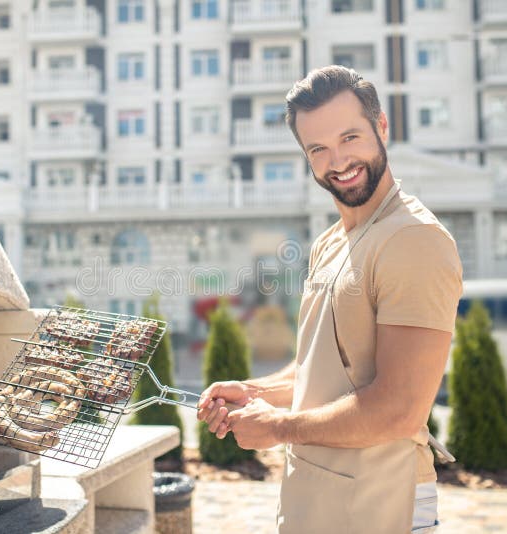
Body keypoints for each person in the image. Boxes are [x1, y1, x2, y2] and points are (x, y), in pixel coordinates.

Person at [197, 65, 463, 533]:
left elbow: (400, 408)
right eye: (318, 148)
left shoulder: (415, 239)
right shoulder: (330, 242)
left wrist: (277, 427)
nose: (337, 160)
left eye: (350, 137)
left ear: (382, 127)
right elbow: (321, 372)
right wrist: (253, 392)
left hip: (384, 503)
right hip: (316, 499)